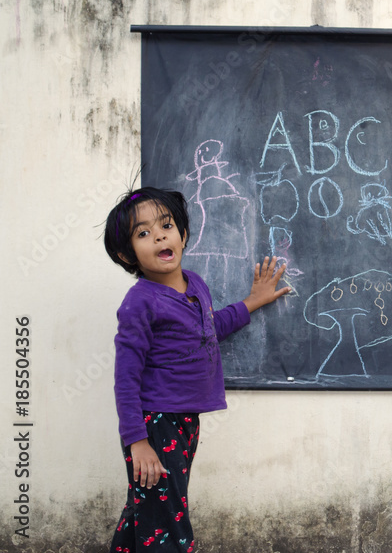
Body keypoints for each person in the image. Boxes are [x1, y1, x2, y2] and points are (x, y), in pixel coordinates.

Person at [103, 186, 290, 552]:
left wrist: (252, 302)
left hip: (184, 421)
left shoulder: (196, 285)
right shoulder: (139, 303)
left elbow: (208, 329)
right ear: (128, 254)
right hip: (155, 423)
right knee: (170, 524)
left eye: (166, 225)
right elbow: (125, 378)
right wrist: (137, 441)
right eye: (143, 233)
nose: (158, 235)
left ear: (183, 235)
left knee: (150, 509)